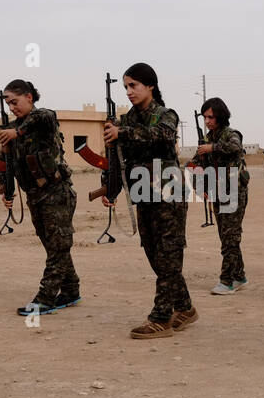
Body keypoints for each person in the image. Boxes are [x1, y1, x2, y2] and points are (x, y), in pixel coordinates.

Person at [102, 63, 195, 337]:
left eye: (134, 85)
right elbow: (117, 161)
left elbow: (163, 135)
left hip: (168, 192)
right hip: (143, 192)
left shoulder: (165, 115)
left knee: (168, 254)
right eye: (126, 87)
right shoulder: (127, 120)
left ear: (150, 86)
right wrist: (110, 189)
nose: (129, 92)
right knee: (155, 254)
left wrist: (123, 133)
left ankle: (161, 318)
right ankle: (185, 307)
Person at [0, 79, 81, 314]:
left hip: (56, 192)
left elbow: (46, 115)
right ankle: (71, 289)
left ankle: (45, 298)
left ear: (29, 97)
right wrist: (6, 189)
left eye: (15, 101)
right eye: (8, 103)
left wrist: (18, 131)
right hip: (34, 195)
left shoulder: (41, 121)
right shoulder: (11, 131)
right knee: (54, 246)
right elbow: (3, 165)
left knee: (57, 246)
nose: (12, 107)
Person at [195, 97, 249, 294]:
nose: (207, 121)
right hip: (217, 192)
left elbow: (235, 147)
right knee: (227, 237)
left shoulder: (230, 134)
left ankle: (226, 281)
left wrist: (213, 148)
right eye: (205, 117)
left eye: (211, 117)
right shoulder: (207, 139)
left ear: (220, 116)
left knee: (230, 238)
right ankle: (239, 276)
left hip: (234, 190)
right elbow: (195, 163)